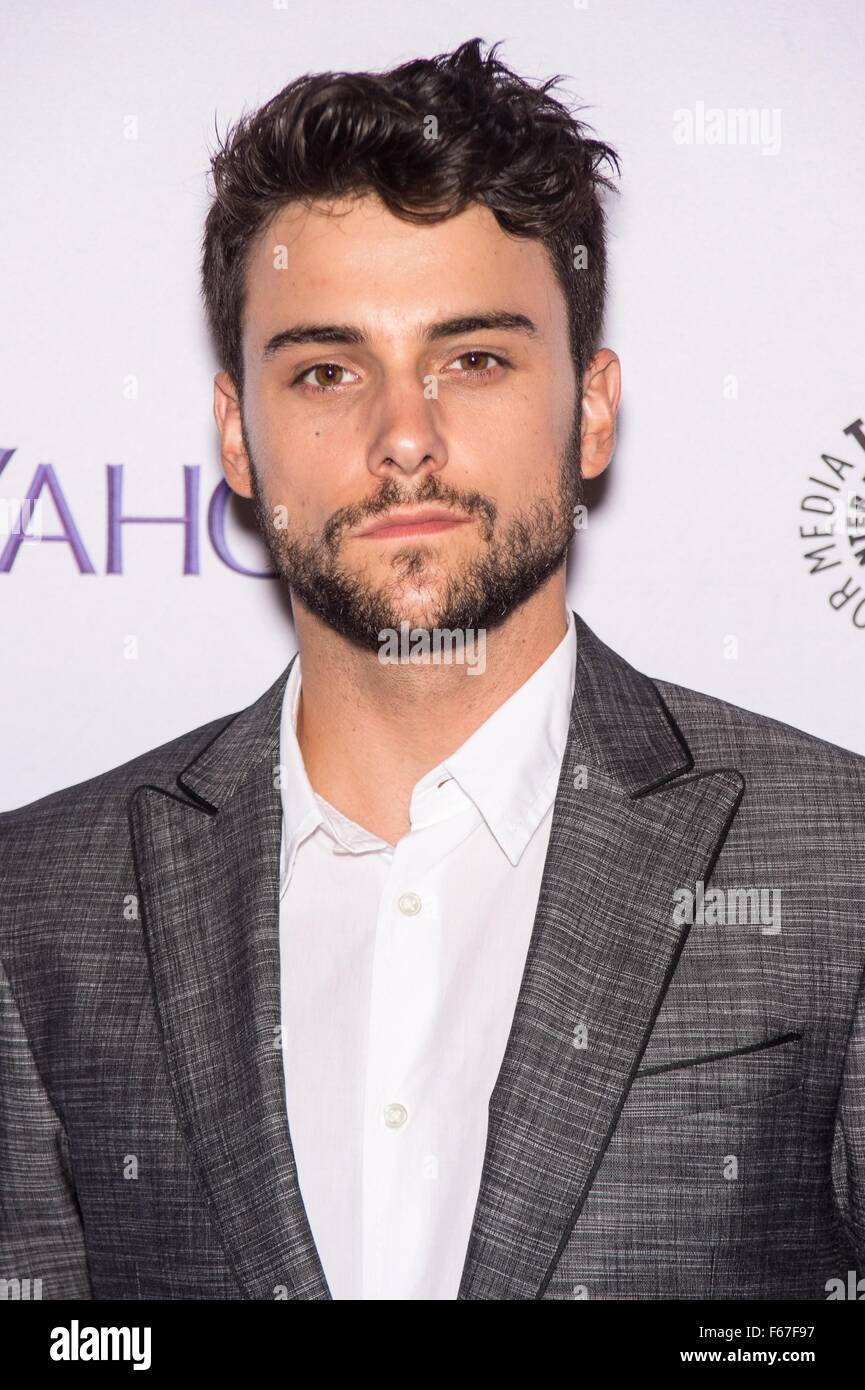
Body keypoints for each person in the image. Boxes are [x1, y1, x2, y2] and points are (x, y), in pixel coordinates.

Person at [1, 37, 863, 1302]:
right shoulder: (39, 905)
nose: (404, 437)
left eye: (475, 358)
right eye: (326, 370)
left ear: (593, 407)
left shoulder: (836, 860)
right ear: (237, 433)